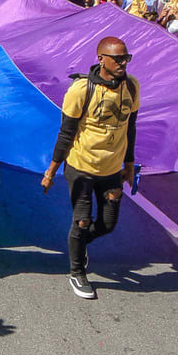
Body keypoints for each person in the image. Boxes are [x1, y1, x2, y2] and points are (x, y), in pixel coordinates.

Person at [42, 36, 139, 300]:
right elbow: (66, 133)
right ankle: (77, 271)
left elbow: (130, 126)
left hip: (111, 170)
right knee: (82, 220)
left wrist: (129, 164)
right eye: (117, 58)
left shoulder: (131, 86)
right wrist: (51, 170)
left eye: (126, 58)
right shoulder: (81, 90)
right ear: (101, 59)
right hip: (81, 167)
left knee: (107, 225)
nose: (123, 63)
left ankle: (79, 244)